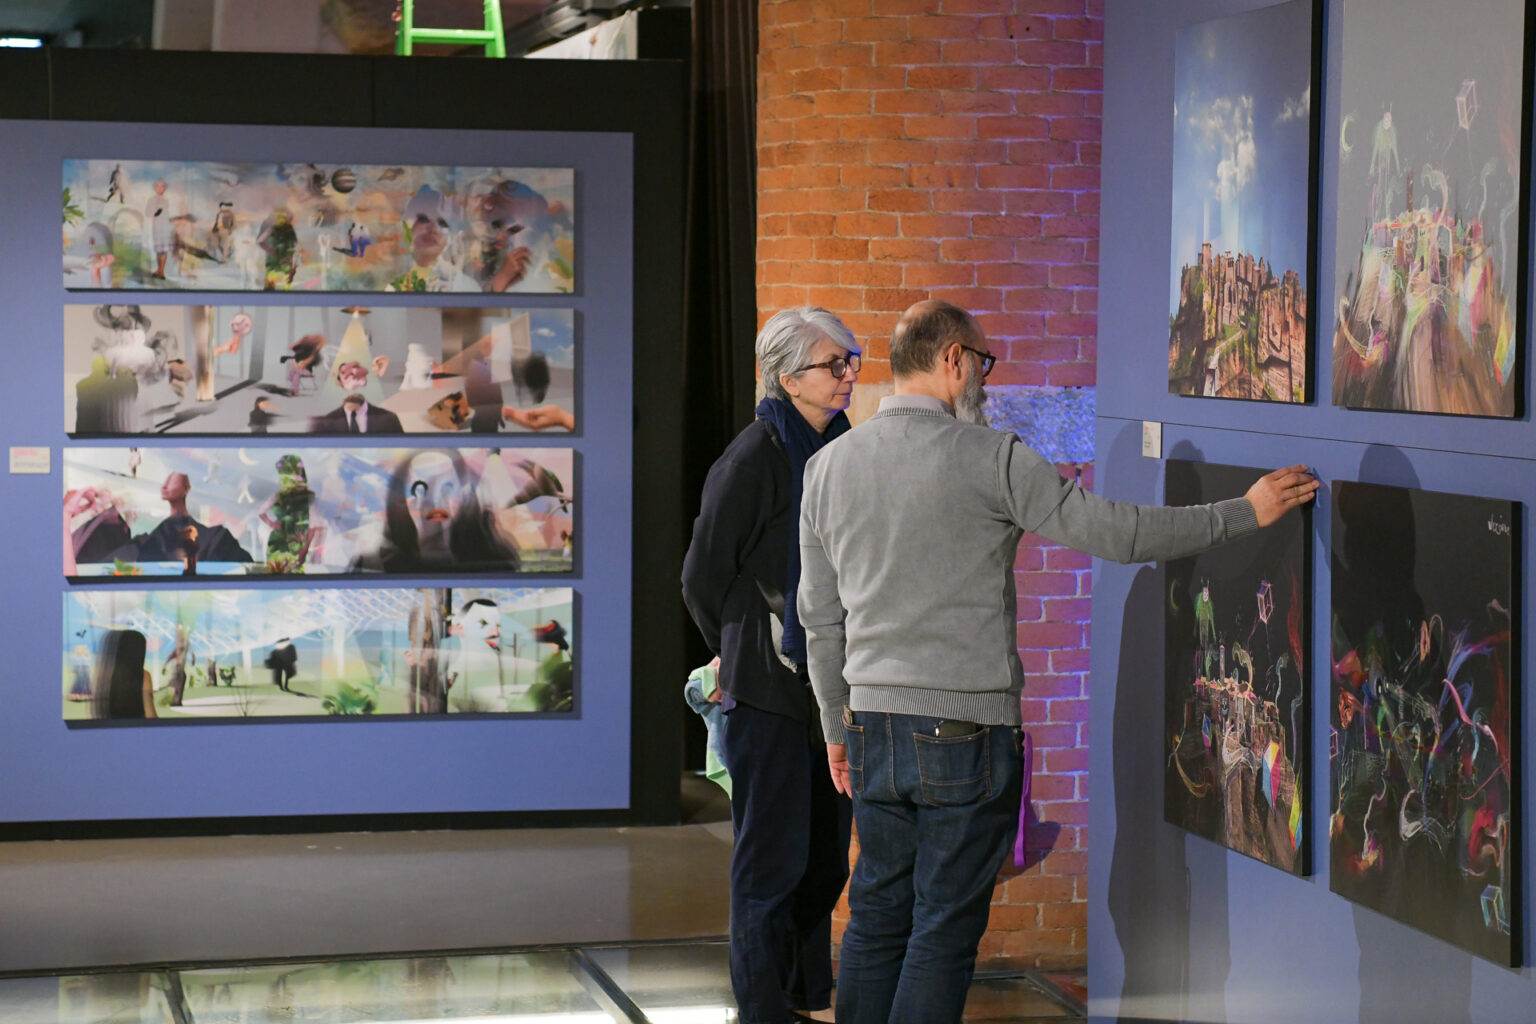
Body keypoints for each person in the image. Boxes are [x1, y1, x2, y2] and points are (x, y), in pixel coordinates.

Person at [796, 299, 1317, 1024]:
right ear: (951, 359)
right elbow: (1118, 533)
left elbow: (818, 618)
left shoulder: (827, 468)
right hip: (964, 734)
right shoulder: (989, 458)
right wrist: (1244, 512)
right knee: (941, 932)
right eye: (982, 361)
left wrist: (834, 725)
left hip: (873, 727)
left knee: (878, 915)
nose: (983, 377)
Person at [681, 306, 864, 1024]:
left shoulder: (845, 449)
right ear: (788, 377)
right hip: (767, 689)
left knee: (824, 861)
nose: (848, 373)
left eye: (852, 359)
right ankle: (762, 1009)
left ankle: (801, 992)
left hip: (831, 685)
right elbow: (701, 573)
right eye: (833, 363)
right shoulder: (754, 456)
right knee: (770, 867)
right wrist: (733, 644)